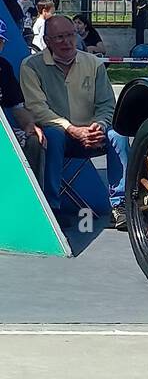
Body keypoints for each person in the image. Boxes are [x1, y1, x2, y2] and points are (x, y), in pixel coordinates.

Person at [20, 14, 129, 229]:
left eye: (70, 35)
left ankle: (120, 205)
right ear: (47, 40)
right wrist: (71, 129)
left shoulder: (94, 64)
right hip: (60, 134)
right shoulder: (30, 66)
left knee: (118, 135)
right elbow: (37, 109)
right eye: (59, 37)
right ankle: (53, 206)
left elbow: (107, 104)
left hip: (92, 133)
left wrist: (99, 126)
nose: (67, 42)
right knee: (52, 136)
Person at [0, 17, 43, 175]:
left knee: (33, 139)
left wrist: (30, 124)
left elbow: (17, 107)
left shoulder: (4, 68)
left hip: (4, 132)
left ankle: (34, 198)